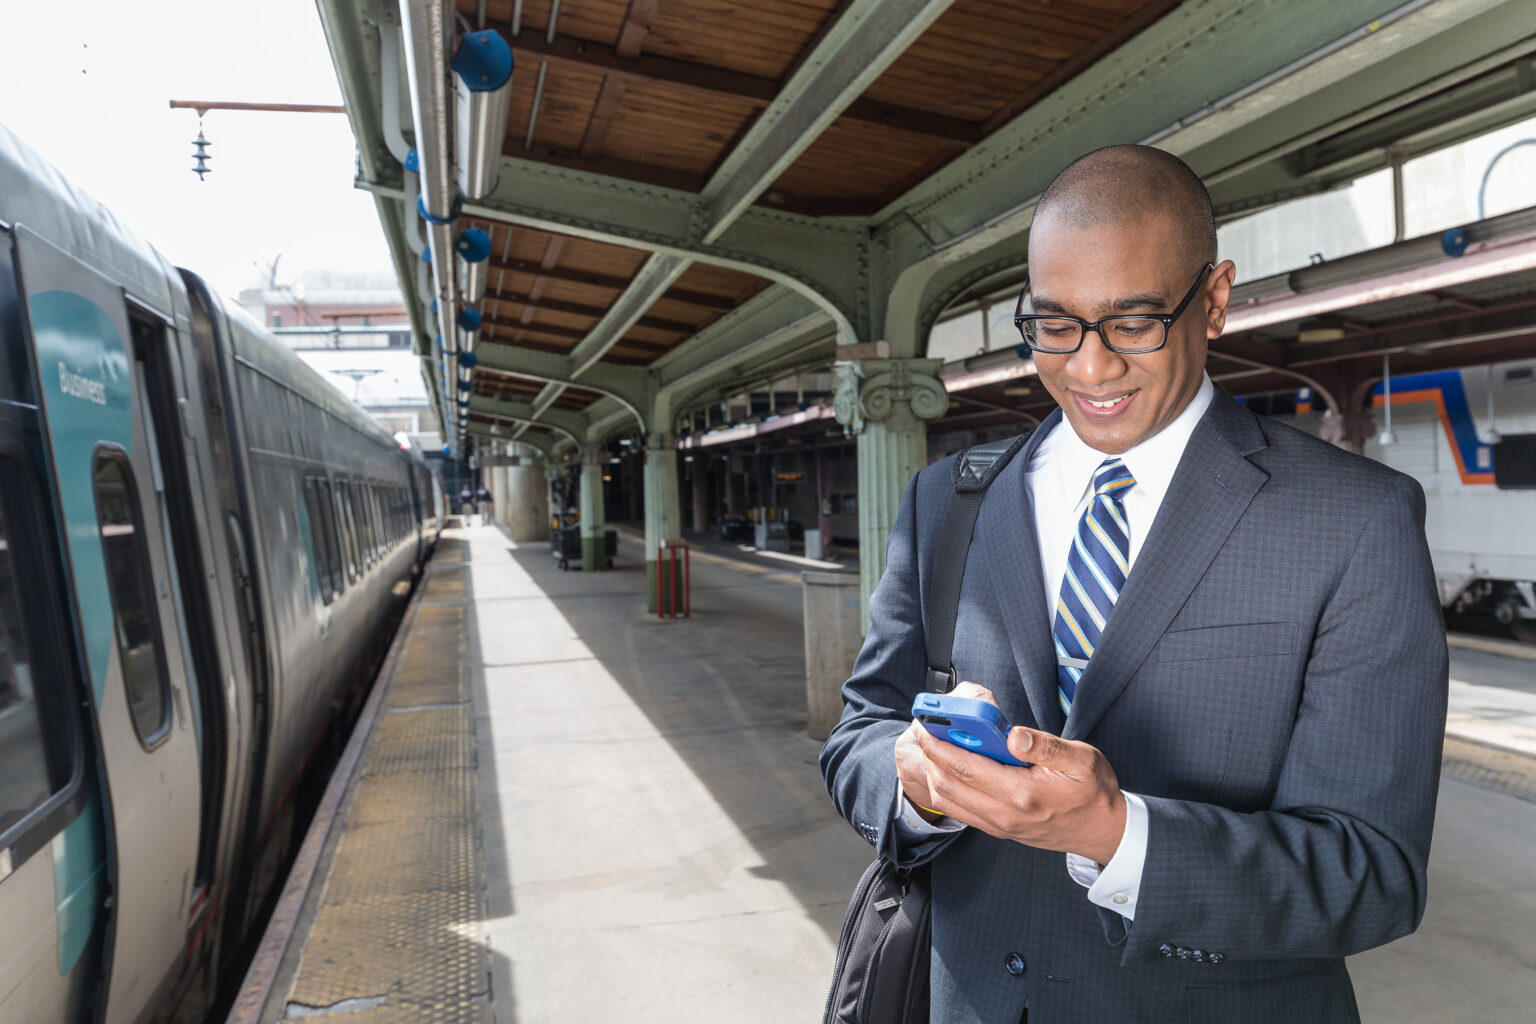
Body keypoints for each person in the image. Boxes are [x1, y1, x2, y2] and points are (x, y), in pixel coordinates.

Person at [819, 145, 1447, 1024]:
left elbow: (1372, 873)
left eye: (1134, 321)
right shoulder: (950, 500)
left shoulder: (1354, 520)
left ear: (1215, 299)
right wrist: (919, 788)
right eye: (1055, 324)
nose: (1090, 366)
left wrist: (1113, 835)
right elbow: (859, 731)